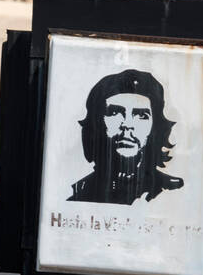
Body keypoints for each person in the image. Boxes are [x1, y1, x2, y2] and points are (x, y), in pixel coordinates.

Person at [68, 68, 184, 205]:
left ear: (156, 127)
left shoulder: (173, 191)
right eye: (115, 113)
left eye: (141, 115)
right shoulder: (78, 194)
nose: (127, 124)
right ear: (96, 123)